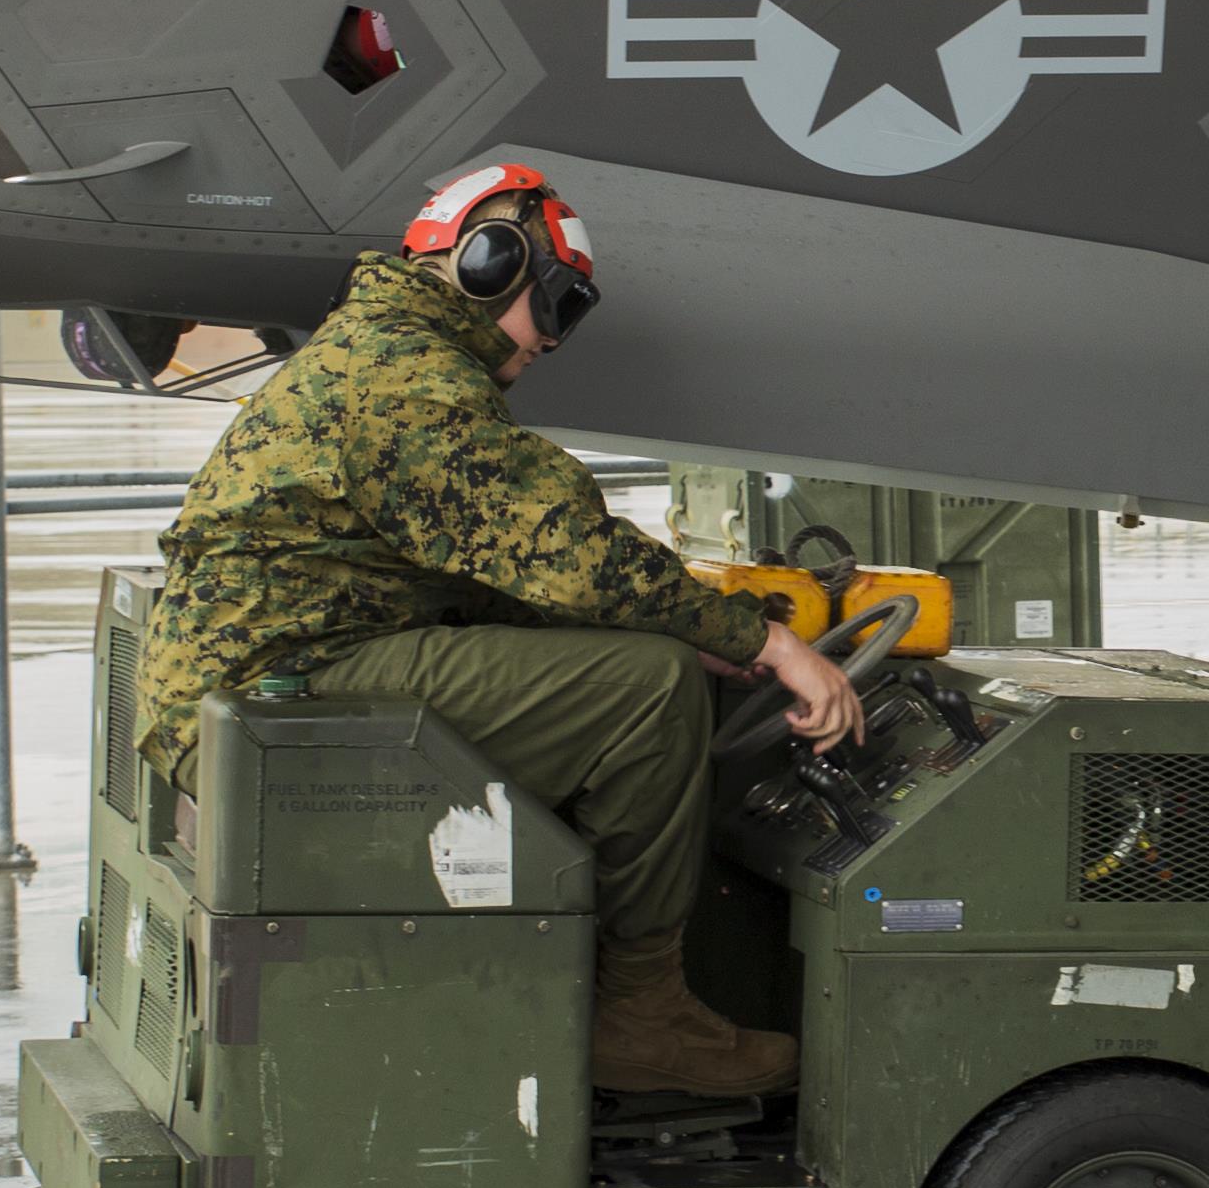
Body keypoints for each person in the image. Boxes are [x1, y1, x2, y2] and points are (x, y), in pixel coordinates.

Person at [133, 155, 859, 1099]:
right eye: (555, 304)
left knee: (643, 661)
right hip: (283, 694)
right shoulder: (408, 380)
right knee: (647, 695)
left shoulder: (383, 350)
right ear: (486, 265)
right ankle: (640, 1015)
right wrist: (768, 643)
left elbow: (476, 564)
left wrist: (688, 627)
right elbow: (562, 546)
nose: (554, 340)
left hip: (278, 677)